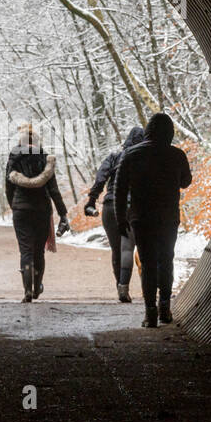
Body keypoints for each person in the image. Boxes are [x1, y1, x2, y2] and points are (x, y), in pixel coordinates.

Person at [113, 113, 192, 327]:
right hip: (168, 217)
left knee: (148, 264)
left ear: (147, 130)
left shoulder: (130, 155)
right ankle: (165, 308)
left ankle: (150, 313)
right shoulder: (177, 155)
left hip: (141, 218)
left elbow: (119, 190)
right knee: (166, 260)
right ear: (170, 132)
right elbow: (186, 182)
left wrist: (121, 218)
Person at [5, 123, 70, 302]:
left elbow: (8, 187)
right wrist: (63, 214)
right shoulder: (45, 158)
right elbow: (54, 190)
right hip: (42, 209)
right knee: (38, 252)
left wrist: (14, 205)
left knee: (25, 250)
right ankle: (36, 287)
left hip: (21, 210)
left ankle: (27, 289)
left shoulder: (14, 157)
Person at [83, 126, 145, 302]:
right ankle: (148, 288)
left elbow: (100, 179)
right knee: (139, 248)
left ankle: (121, 287)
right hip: (136, 206)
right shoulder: (145, 158)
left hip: (111, 205)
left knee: (118, 249)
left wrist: (91, 201)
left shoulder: (114, 157)